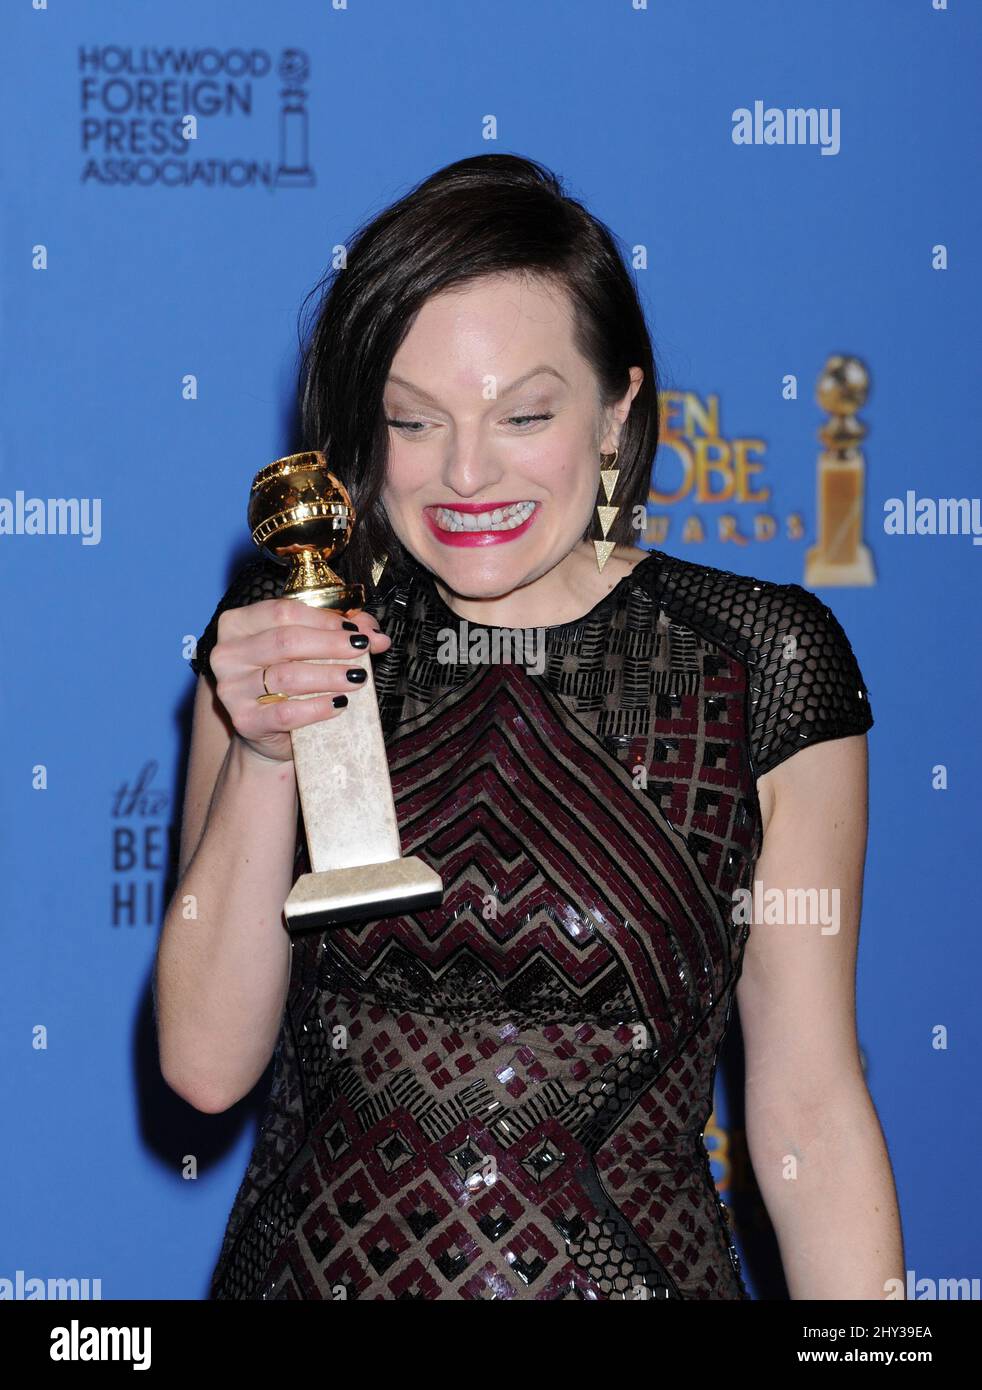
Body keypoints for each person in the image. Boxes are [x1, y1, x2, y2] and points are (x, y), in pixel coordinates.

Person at [155, 153, 903, 1300]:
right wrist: (267, 749)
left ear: (618, 414)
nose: (464, 470)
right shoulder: (282, 638)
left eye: (526, 414)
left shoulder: (758, 663)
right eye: (414, 420)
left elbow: (806, 1103)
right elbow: (205, 1068)